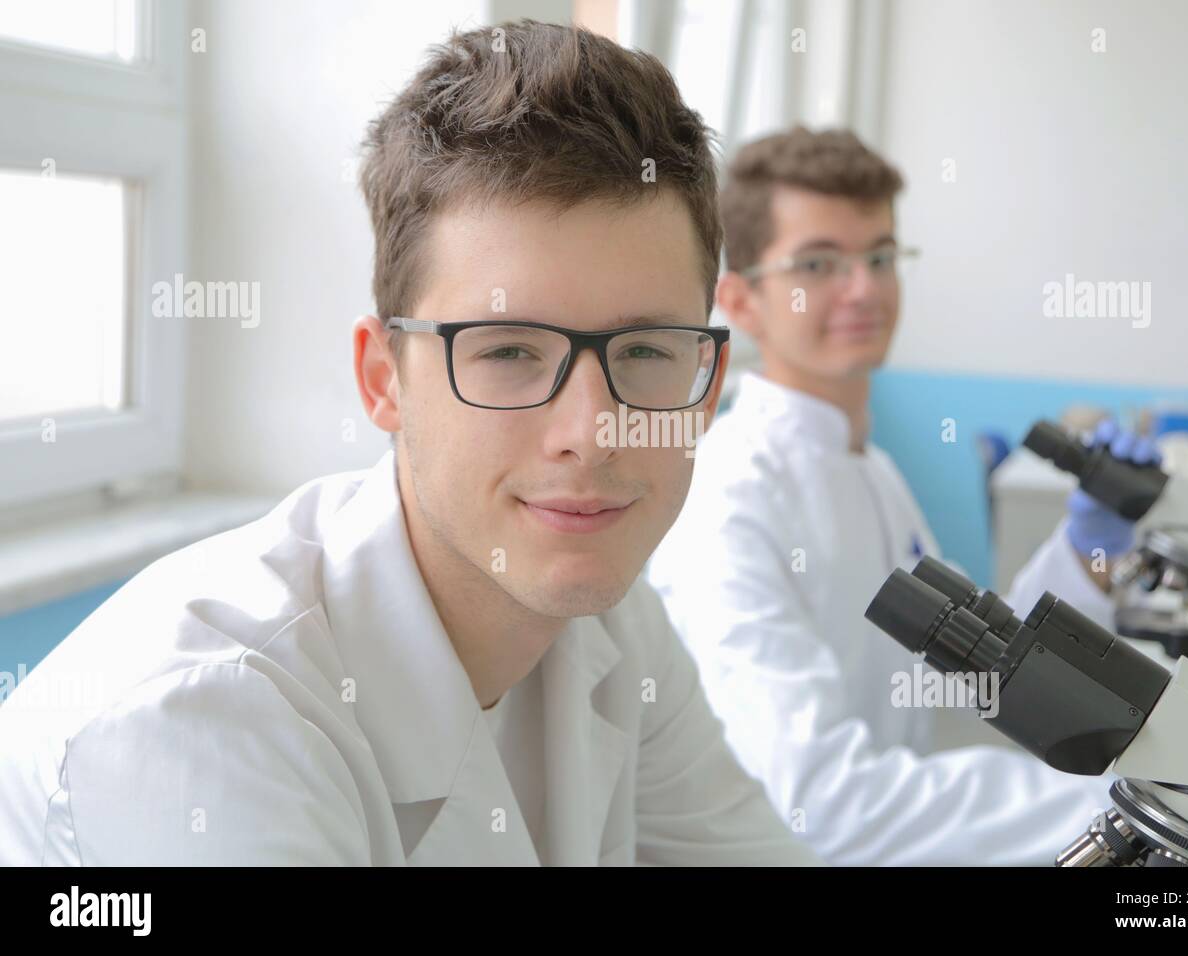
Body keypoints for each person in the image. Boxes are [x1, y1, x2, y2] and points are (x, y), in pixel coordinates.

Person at [0, 21, 820, 867]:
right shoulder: (201, 724)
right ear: (384, 379)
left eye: (646, 351)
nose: (591, 432)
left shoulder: (609, 620)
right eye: (508, 351)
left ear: (708, 382)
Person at [648, 127, 1145, 865]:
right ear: (742, 301)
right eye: (818, 263)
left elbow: (985, 670)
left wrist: (1087, 551)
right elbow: (815, 802)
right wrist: (1132, 809)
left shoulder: (872, 470)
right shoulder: (727, 501)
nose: (864, 288)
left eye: (880, 257)